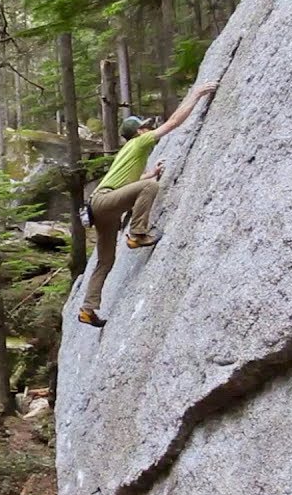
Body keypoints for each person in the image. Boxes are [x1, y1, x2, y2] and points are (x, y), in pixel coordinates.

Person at [78, 81, 219, 328]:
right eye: (145, 127)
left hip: (101, 207)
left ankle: (87, 310)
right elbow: (173, 123)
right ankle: (137, 234)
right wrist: (196, 94)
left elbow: (123, 182)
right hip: (105, 202)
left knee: (105, 261)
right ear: (139, 132)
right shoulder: (140, 142)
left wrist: (150, 173)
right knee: (150, 187)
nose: (149, 129)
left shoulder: (128, 151)